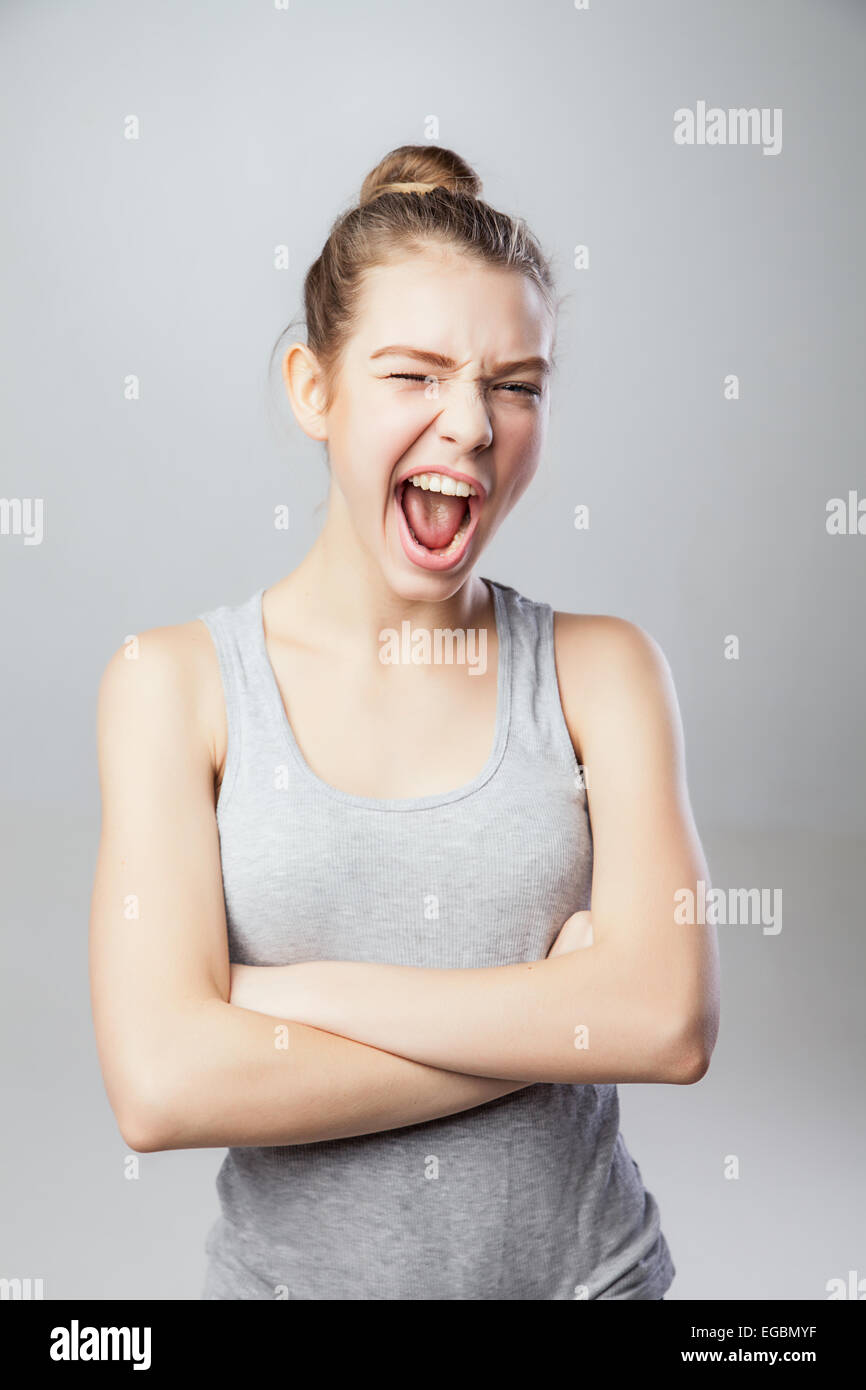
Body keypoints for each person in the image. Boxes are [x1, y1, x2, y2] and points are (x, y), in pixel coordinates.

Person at [89, 144, 720, 1300]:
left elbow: (668, 1022)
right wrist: (554, 1019)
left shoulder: (605, 672)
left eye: (515, 383)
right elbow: (163, 1085)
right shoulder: (171, 684)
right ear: (312, 388)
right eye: (414, 375)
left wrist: (282, 995)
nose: (472, 425)